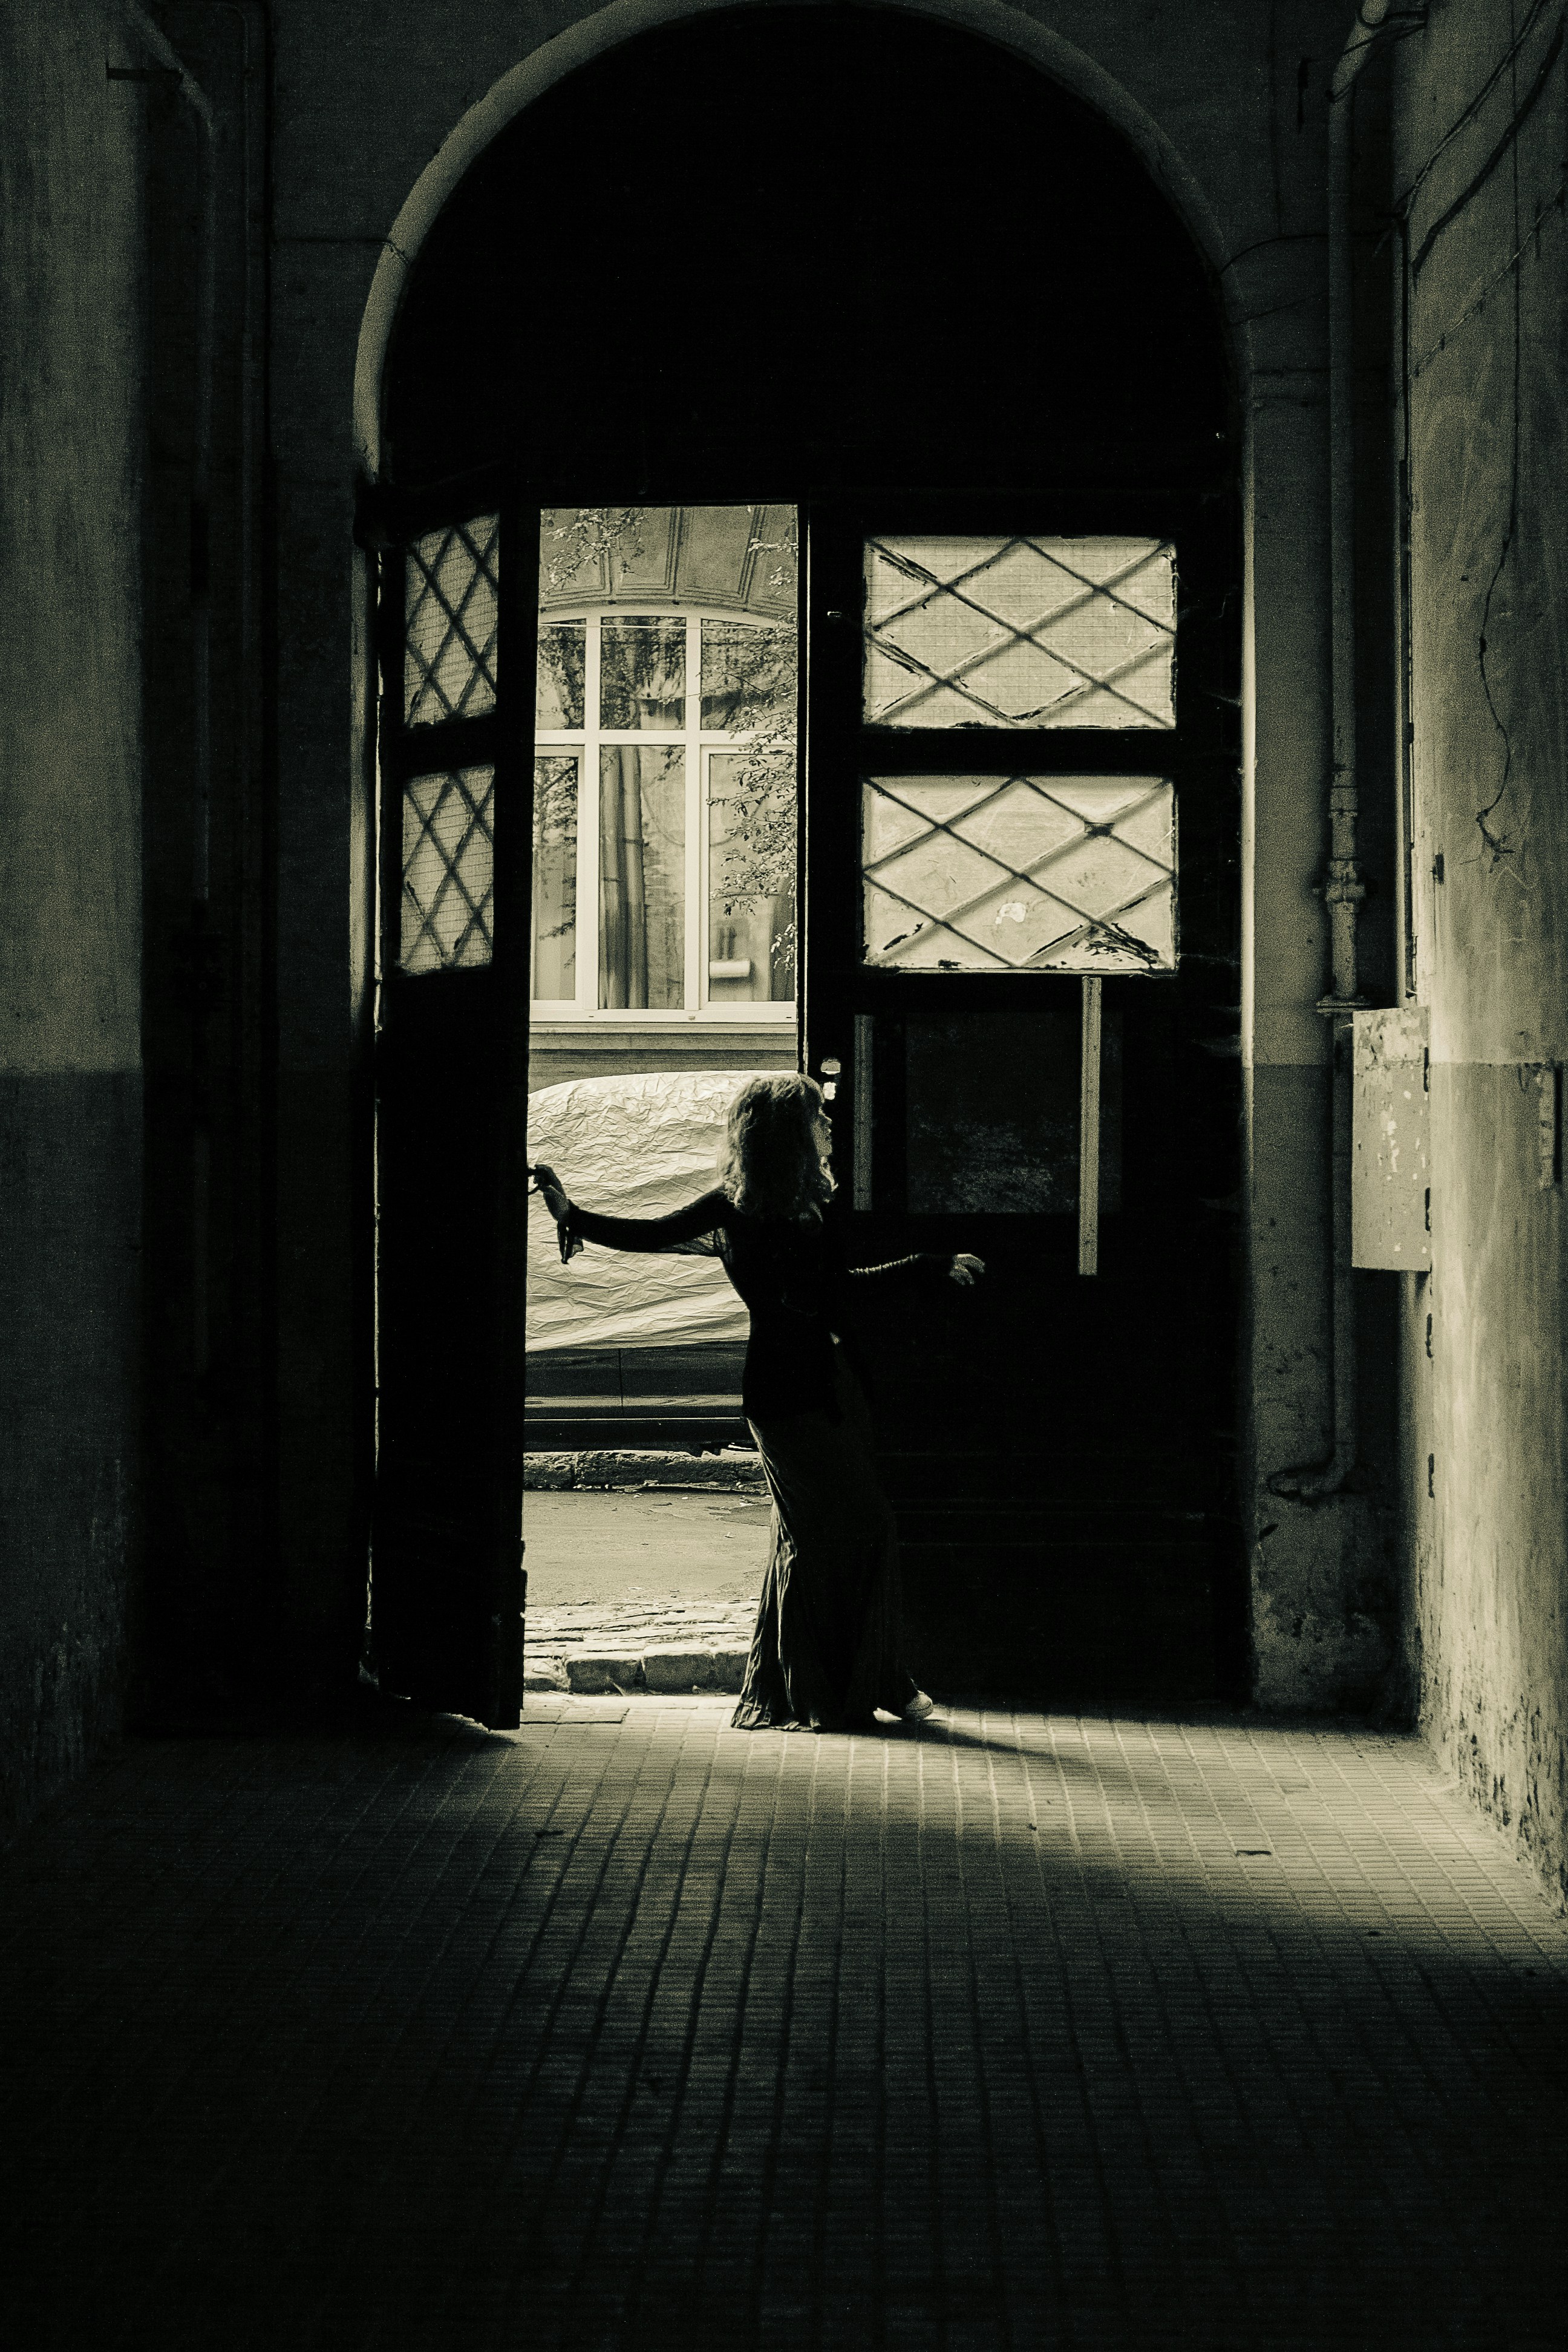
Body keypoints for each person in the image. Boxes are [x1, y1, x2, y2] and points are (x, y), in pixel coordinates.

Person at [529, 1072, 984, 1734]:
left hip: (832, 1385)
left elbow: (833, 1289)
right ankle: (843, 1686)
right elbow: (652, 1234)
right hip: (784, 1396)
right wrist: (571, 1216)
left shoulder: (812, 1206)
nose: (830, 1127)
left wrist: (922, 1268)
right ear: (786, 1134)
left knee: (816, 1537)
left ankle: (825, 1686)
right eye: (819, 1119)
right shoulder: (733, 1210)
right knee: (851, 1528)